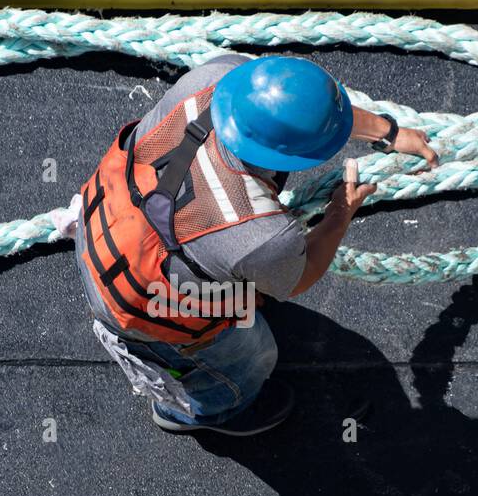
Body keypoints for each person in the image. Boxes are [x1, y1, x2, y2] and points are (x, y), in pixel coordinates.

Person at [73, 53, 438, 435]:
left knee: (239, 284)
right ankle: (205, 411)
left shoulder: (216, 77)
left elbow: (303, 113)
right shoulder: (263, 236)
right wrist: (339, 215)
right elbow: (301, 275)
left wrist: (389, 134)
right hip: (138, 301)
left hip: (100, 228)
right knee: (252, 354)